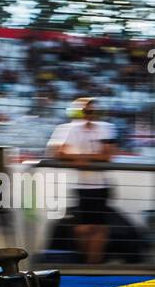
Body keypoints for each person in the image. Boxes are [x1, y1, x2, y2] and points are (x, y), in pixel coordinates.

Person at [47, 97, 115, 263]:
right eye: (87, 111)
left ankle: (93, 266)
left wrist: (80, 157)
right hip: (81, 186)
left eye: (93, 112)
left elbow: (107, 155)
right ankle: (88, 264)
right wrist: (87, 157)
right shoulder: (68, 129)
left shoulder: (106, 128)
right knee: (82, 229)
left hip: (100, 186)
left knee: (98, 229)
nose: (90, 115)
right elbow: (57, 153)